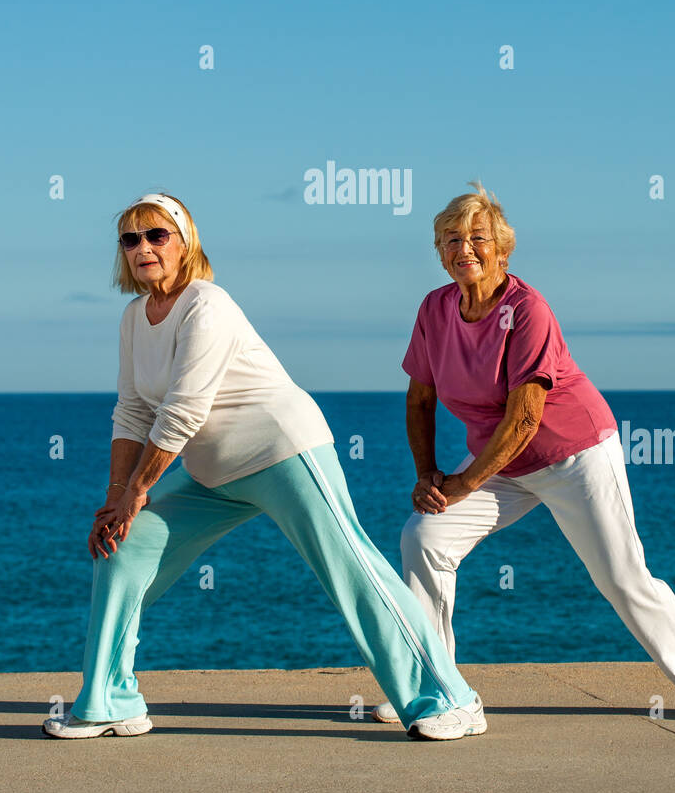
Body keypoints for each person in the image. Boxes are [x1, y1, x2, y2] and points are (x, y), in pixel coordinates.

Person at [42, 192, 485, 741]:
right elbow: (132, 411)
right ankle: (111, 702)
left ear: (185, 245)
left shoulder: (208, 304)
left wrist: (137, 490)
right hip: (212, 473)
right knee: (122, 547)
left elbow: (182, 411)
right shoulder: (135, 318)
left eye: (157, 235)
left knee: (350, 569)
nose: (143, 248)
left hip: (283, 451)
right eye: (131, 239)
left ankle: (449, 698)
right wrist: (117, 496)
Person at [373, 182, 675, 726]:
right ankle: (436, 686)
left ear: (502, 248)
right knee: (423, 537)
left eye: (478, 237)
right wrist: (428, 473)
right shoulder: (435, 309)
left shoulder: (528, 310)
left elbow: (524, 418)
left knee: (620, 575)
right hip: (501, 465)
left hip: (574, 454)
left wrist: (464, 482)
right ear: (438, 250)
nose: (464, 249)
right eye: (451, 239)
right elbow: (420, 398)